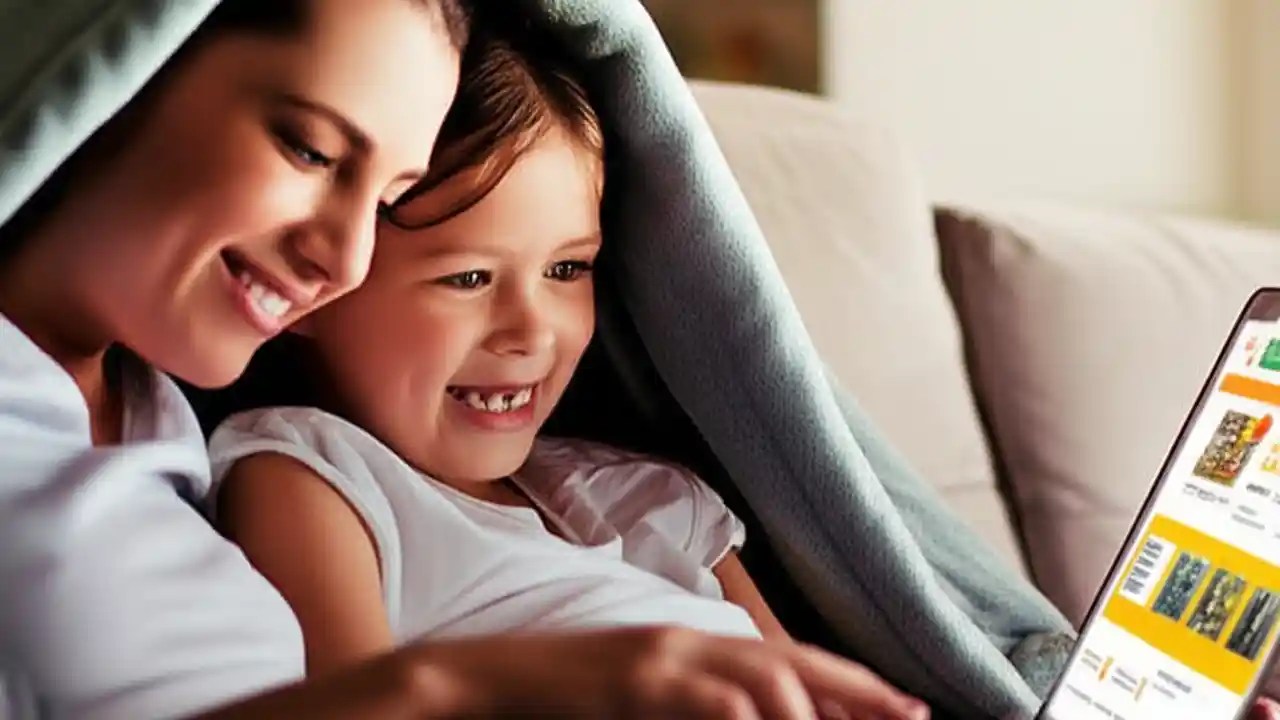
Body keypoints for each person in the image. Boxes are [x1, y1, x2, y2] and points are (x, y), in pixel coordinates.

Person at [0, 1, 967, 718]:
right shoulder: (294, 473)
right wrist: (467, 687)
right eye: (310, 149)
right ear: (114, 60)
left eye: (389, 197)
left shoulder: (152, 420)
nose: (344, 261)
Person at [207, 25, 817, 682]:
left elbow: (818, 694)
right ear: (318, 284)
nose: (531, 331)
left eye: (567, 270)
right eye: (468, 278)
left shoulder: (654, 502)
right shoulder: (315, 479)